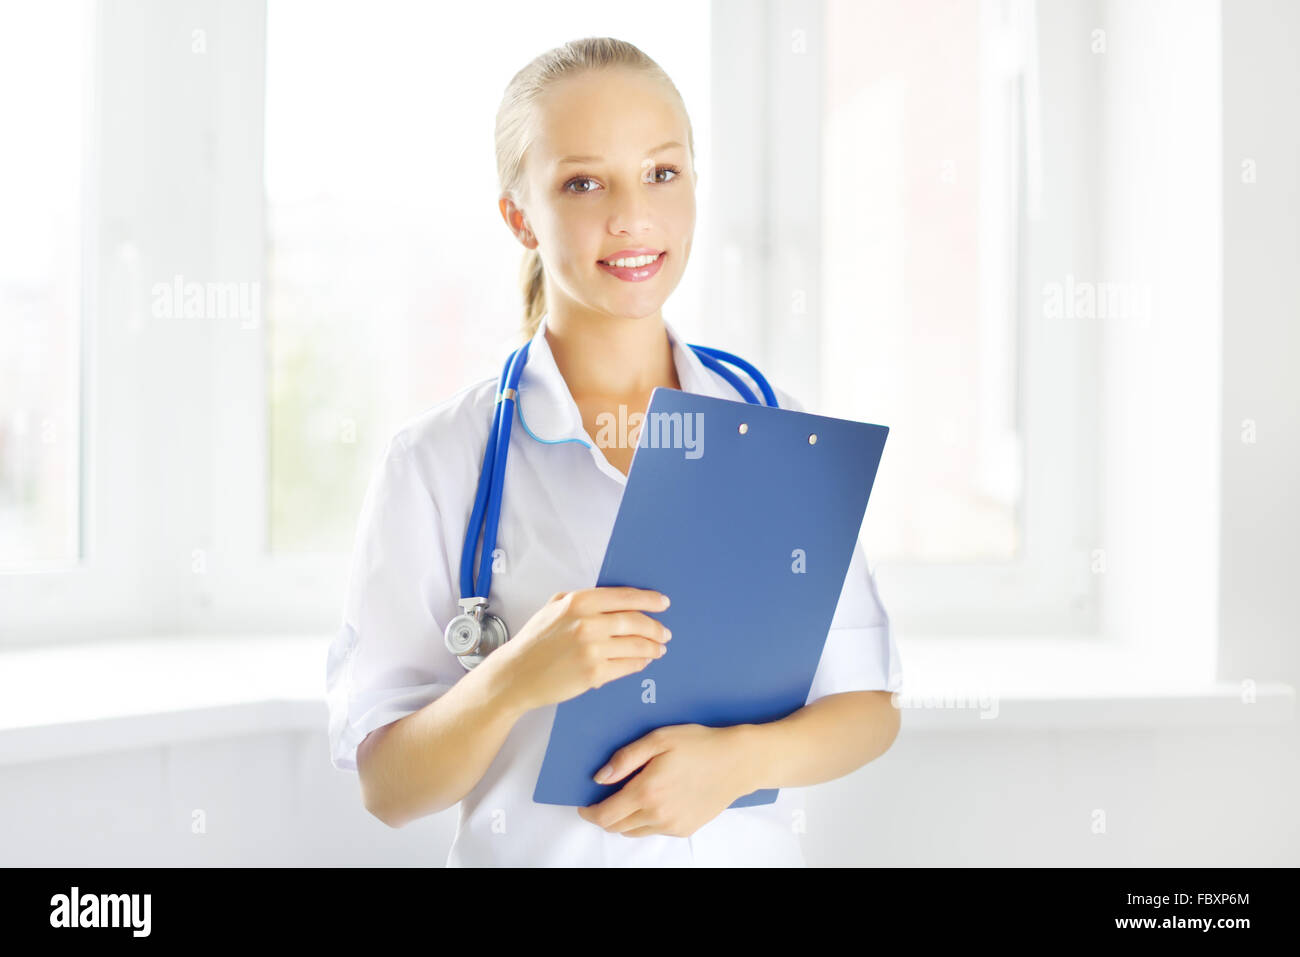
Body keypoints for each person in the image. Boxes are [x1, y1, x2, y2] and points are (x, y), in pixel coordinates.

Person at [325, 36, 903, 867]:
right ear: (519, 215)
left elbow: (869, 705)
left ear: (695, 186)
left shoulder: (774, 427)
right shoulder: (436, 461)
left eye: (661, 173)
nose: (632, 214)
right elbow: (389, 789)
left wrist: (737, 762)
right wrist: (514, 677)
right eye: (584, 182)